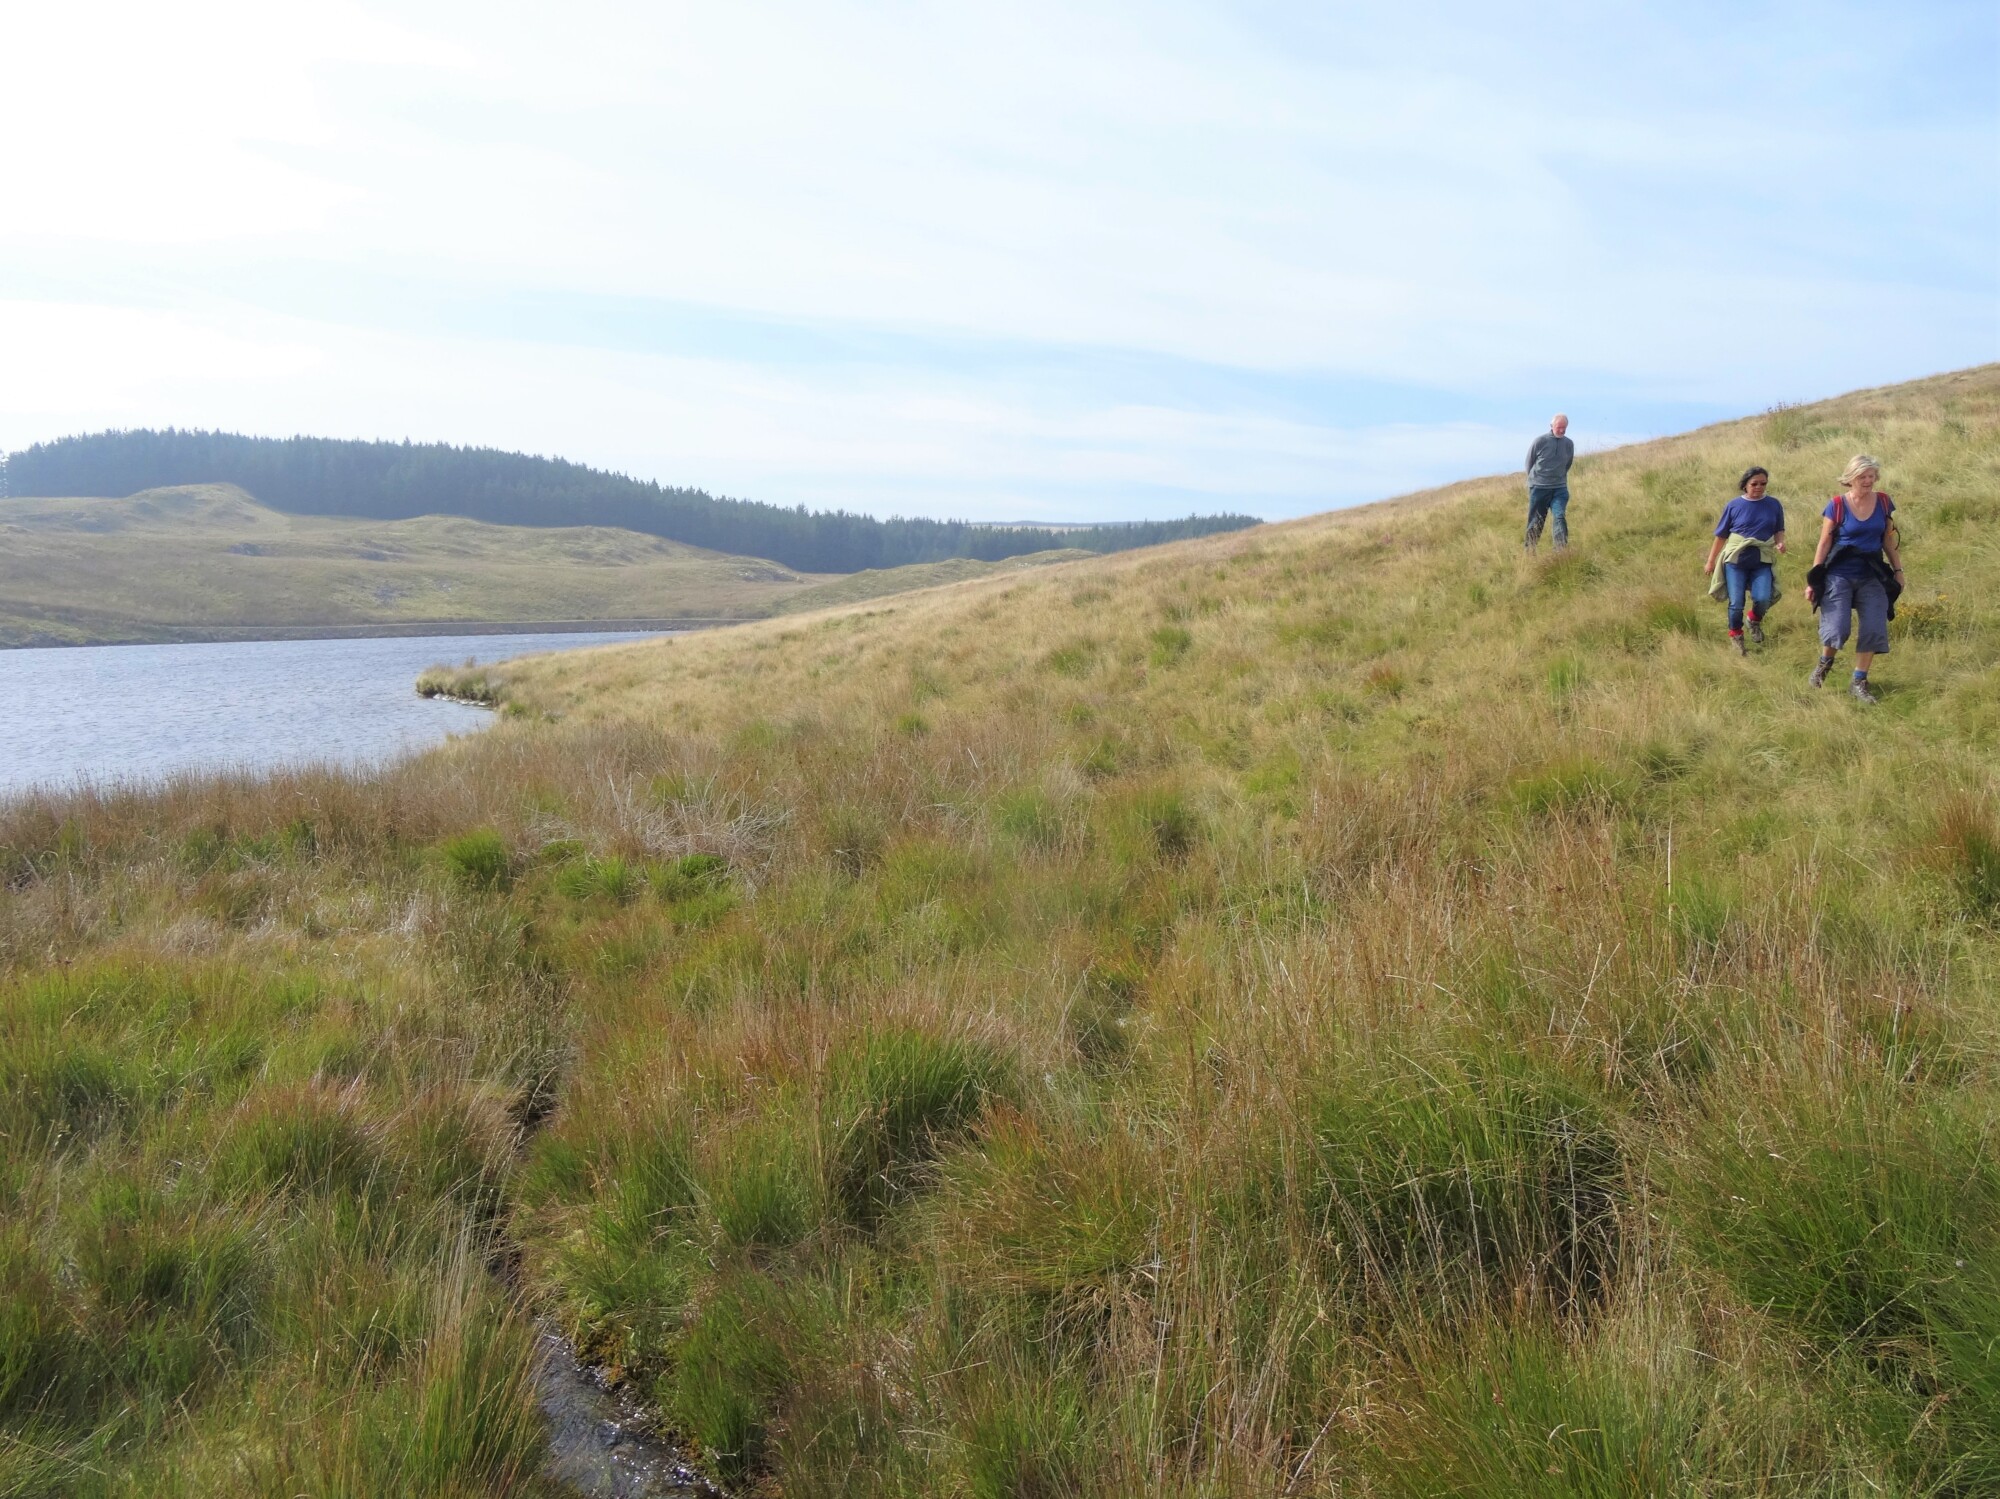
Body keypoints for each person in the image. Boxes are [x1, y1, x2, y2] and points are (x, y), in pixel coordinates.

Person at [1805, 454, 1904, 703]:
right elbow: (1825, 542)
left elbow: (1888, 540)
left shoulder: (1883, 502)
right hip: (1839, 574)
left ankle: (1859, 681)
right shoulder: (1837, 505)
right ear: (1851, 478)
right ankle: (1824, 664)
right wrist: (1814, 579)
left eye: (1871, 476)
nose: (1868, 481)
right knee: (1837, 628)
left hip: (1871, 575)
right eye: (1863, 477)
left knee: (1873, 627)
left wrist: (1898, 571)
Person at [1704, 466, 1786, 654]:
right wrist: (1711, 560)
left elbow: (1779, 529)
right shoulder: (1733, 505)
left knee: (1763, 598)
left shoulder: (1774, 504)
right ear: (1745, 485)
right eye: (1754, 484)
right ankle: (1736, 636)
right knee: (1736, 603)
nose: (1758, 487)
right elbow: (1721, 536)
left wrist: (1780, 543)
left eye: (1763, 484)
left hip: (1761, 560)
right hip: (1736, 561)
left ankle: (1753, 620)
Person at [1524, 413, 1575, 553]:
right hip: (1539, 488)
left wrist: (1559, 477)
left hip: (1559, 489)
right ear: (1551, 426)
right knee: (1536, 521)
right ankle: (1529, 552)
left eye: (1564, 428)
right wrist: (1536, 481)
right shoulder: (1539, 441)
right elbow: (1529, 463)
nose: (1562, 431)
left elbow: (1568, 463)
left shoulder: (1569, 444)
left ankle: (1560, 551)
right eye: (1559, 427)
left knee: (1559, 516)